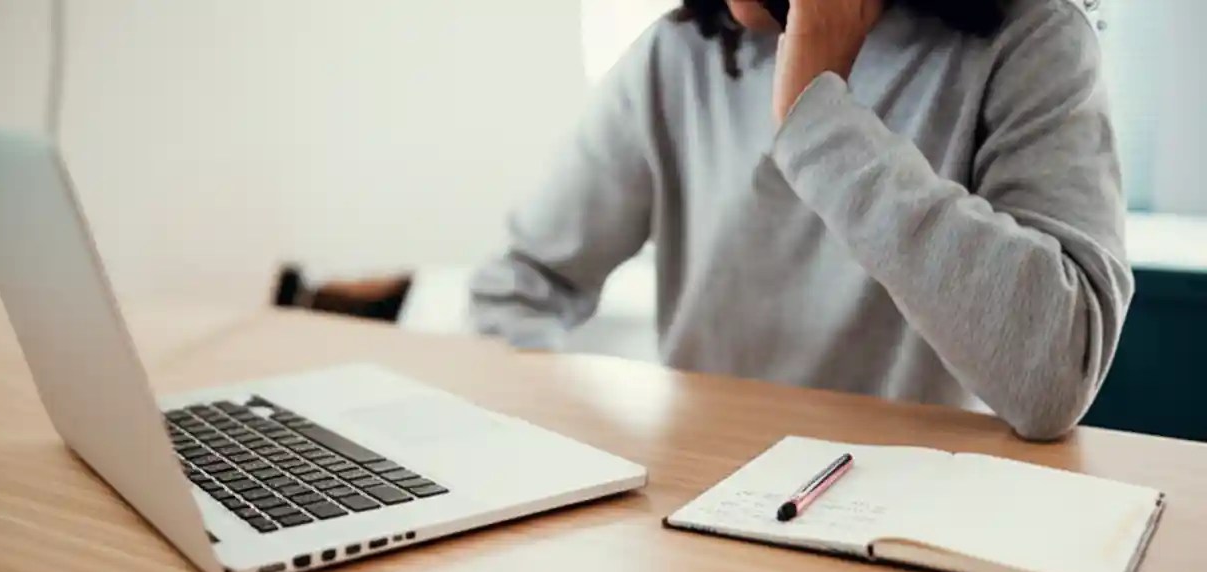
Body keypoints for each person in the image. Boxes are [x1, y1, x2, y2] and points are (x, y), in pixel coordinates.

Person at [469, 0, 1129, 441]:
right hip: (700, 527)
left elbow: (1055, 376)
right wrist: (598, 455)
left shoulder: (1032, 40)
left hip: (920, 539)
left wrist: (817, 117)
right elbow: (518, 289)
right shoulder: (678, 56)